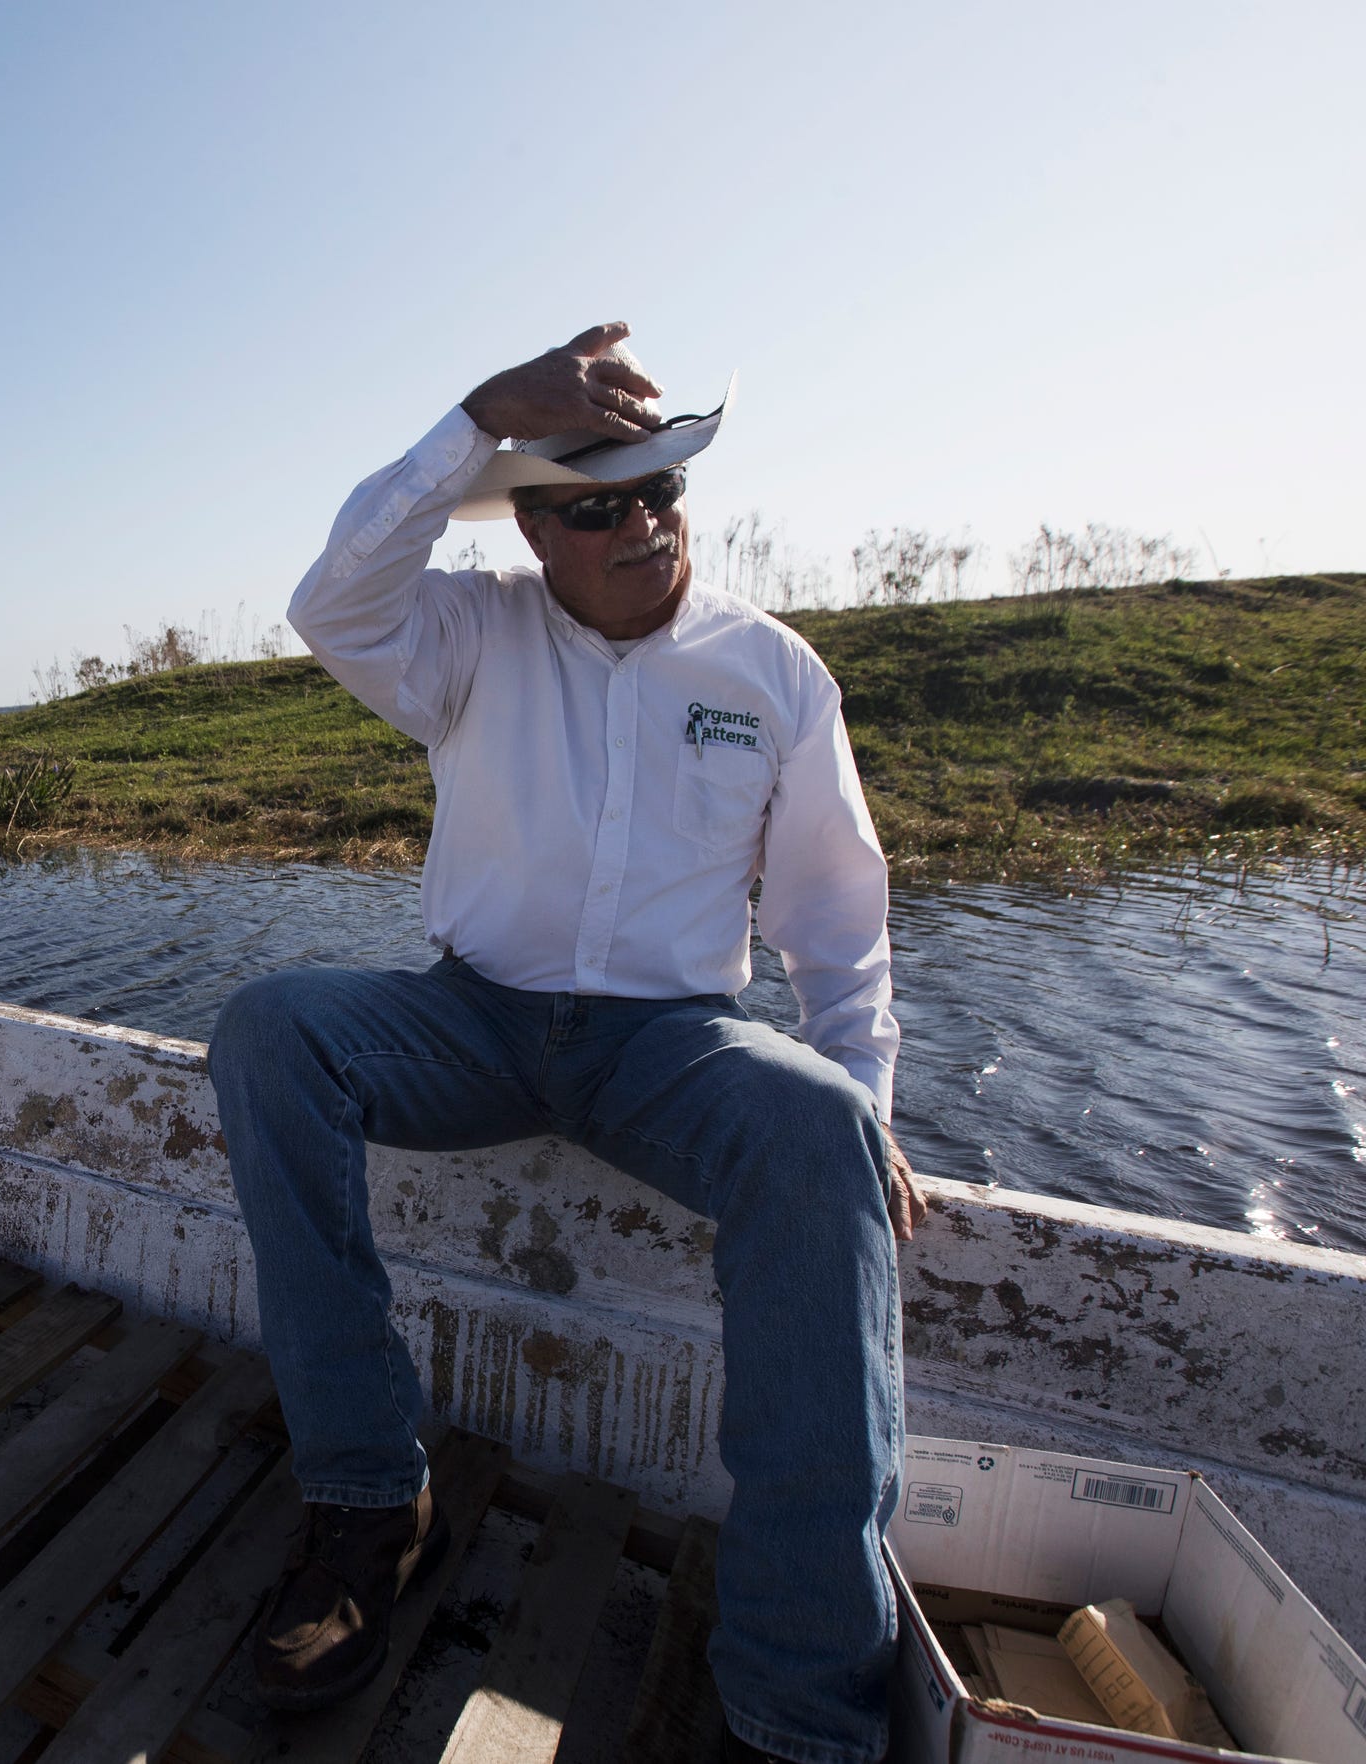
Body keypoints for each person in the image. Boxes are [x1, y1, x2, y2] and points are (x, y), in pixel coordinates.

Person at [207, 321, 924, 1764]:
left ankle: (802, 1706)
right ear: (534, 530)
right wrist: (474, 416)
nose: (641, 524)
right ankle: (369, 1499)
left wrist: (862, 1101)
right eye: (595, 507)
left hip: (674, 1043)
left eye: (661, 490)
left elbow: (835, 917)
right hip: (469, 1022)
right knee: (271, 1032)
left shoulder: (773, 674)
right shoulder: (468, 636)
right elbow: (330, 601)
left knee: (822, 1132)